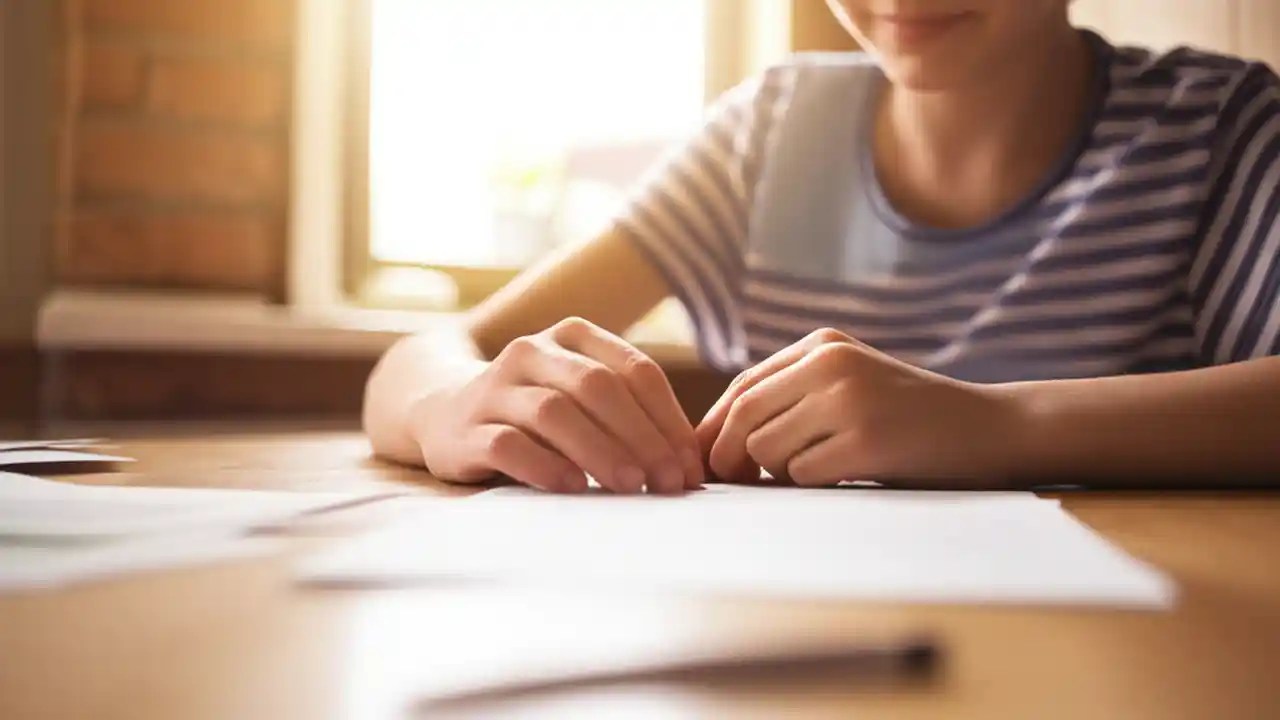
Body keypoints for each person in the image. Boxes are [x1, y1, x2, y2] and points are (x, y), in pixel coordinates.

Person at [364, 0, 1280, 494]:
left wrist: (996, 427)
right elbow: (425, 356)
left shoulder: (1217, 131)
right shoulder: (768, 136)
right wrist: (452, 407)